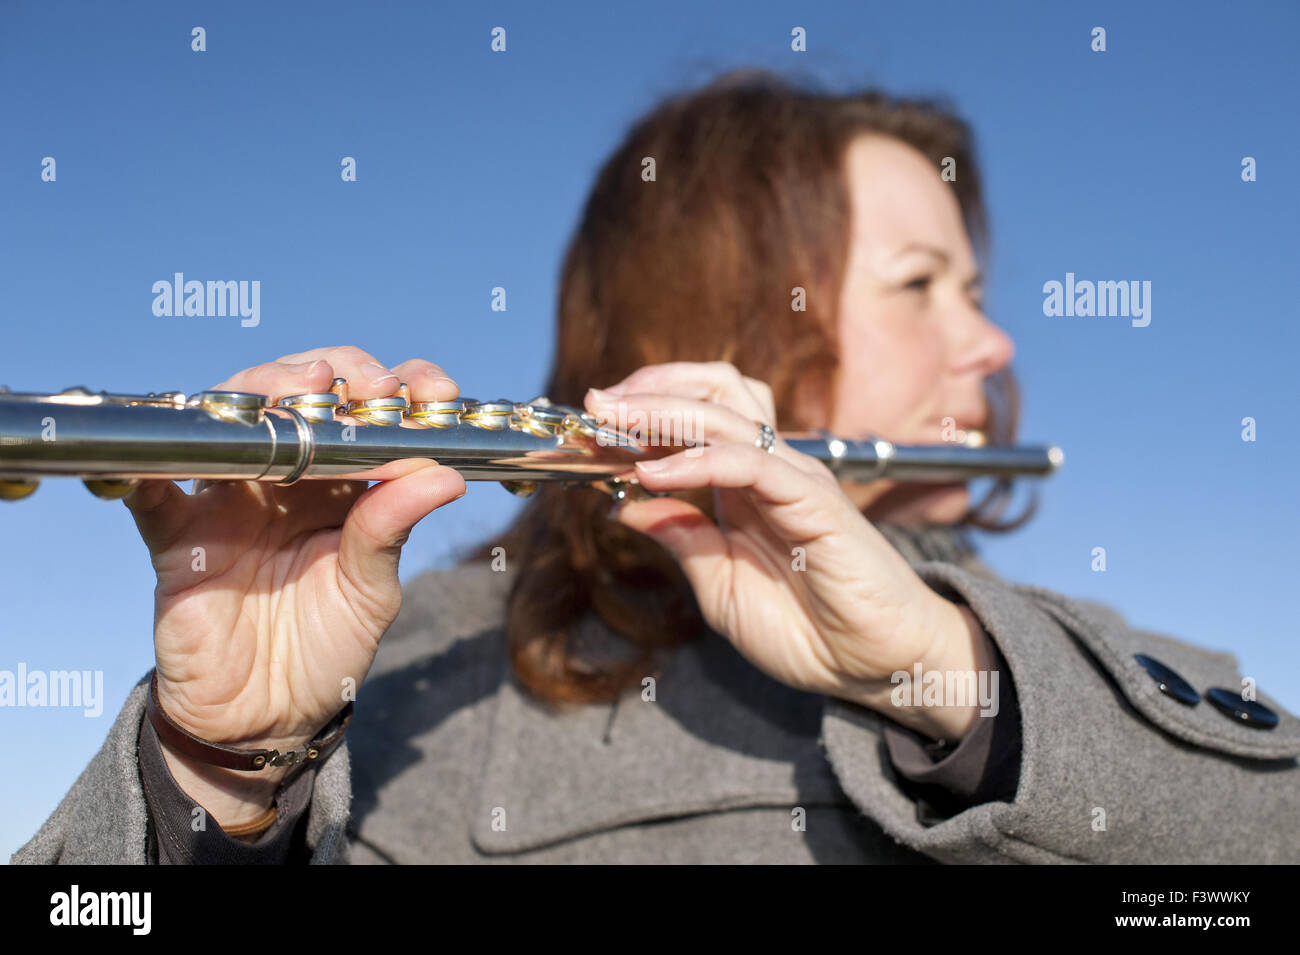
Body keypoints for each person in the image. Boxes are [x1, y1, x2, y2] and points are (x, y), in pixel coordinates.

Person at [15, 70, 1299, 865]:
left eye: (976, 285)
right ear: (737, 316)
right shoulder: (414, 683)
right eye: (924, 287)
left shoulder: (1051, 654)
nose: (991, 339)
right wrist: (219, 770)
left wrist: (941, 669)